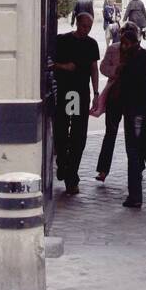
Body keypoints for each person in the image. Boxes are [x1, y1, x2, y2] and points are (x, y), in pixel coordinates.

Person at [51, 11, 99, 195]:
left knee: (79, 135)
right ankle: (63, 163)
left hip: (81, 92)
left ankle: (72, 175)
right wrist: (65, 66)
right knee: (63, 130)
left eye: (89, 27)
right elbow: (51, 64)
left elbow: (94, 68)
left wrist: (96, 92)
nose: (86, 30)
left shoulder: (91, 44)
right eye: (83, 26)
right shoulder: (63, 41)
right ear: (77, 24)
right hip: (67, 92)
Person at [112, 23, 146, 208]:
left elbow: (129, 87)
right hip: (144, 110)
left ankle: (135, 195)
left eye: (124, 43)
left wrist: (121, 68)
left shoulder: (132, 60)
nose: (122, 47)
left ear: (130, 43)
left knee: (135, 152)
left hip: (135, 112)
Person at [93, 34, 122, 183]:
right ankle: (103, 170)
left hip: (131, 98)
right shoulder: (113, 49)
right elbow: (103, 67)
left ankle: (139, 167)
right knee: (110, 133)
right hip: (114, 95)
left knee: (136, 137)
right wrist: (115, 71)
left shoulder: (141, 52)